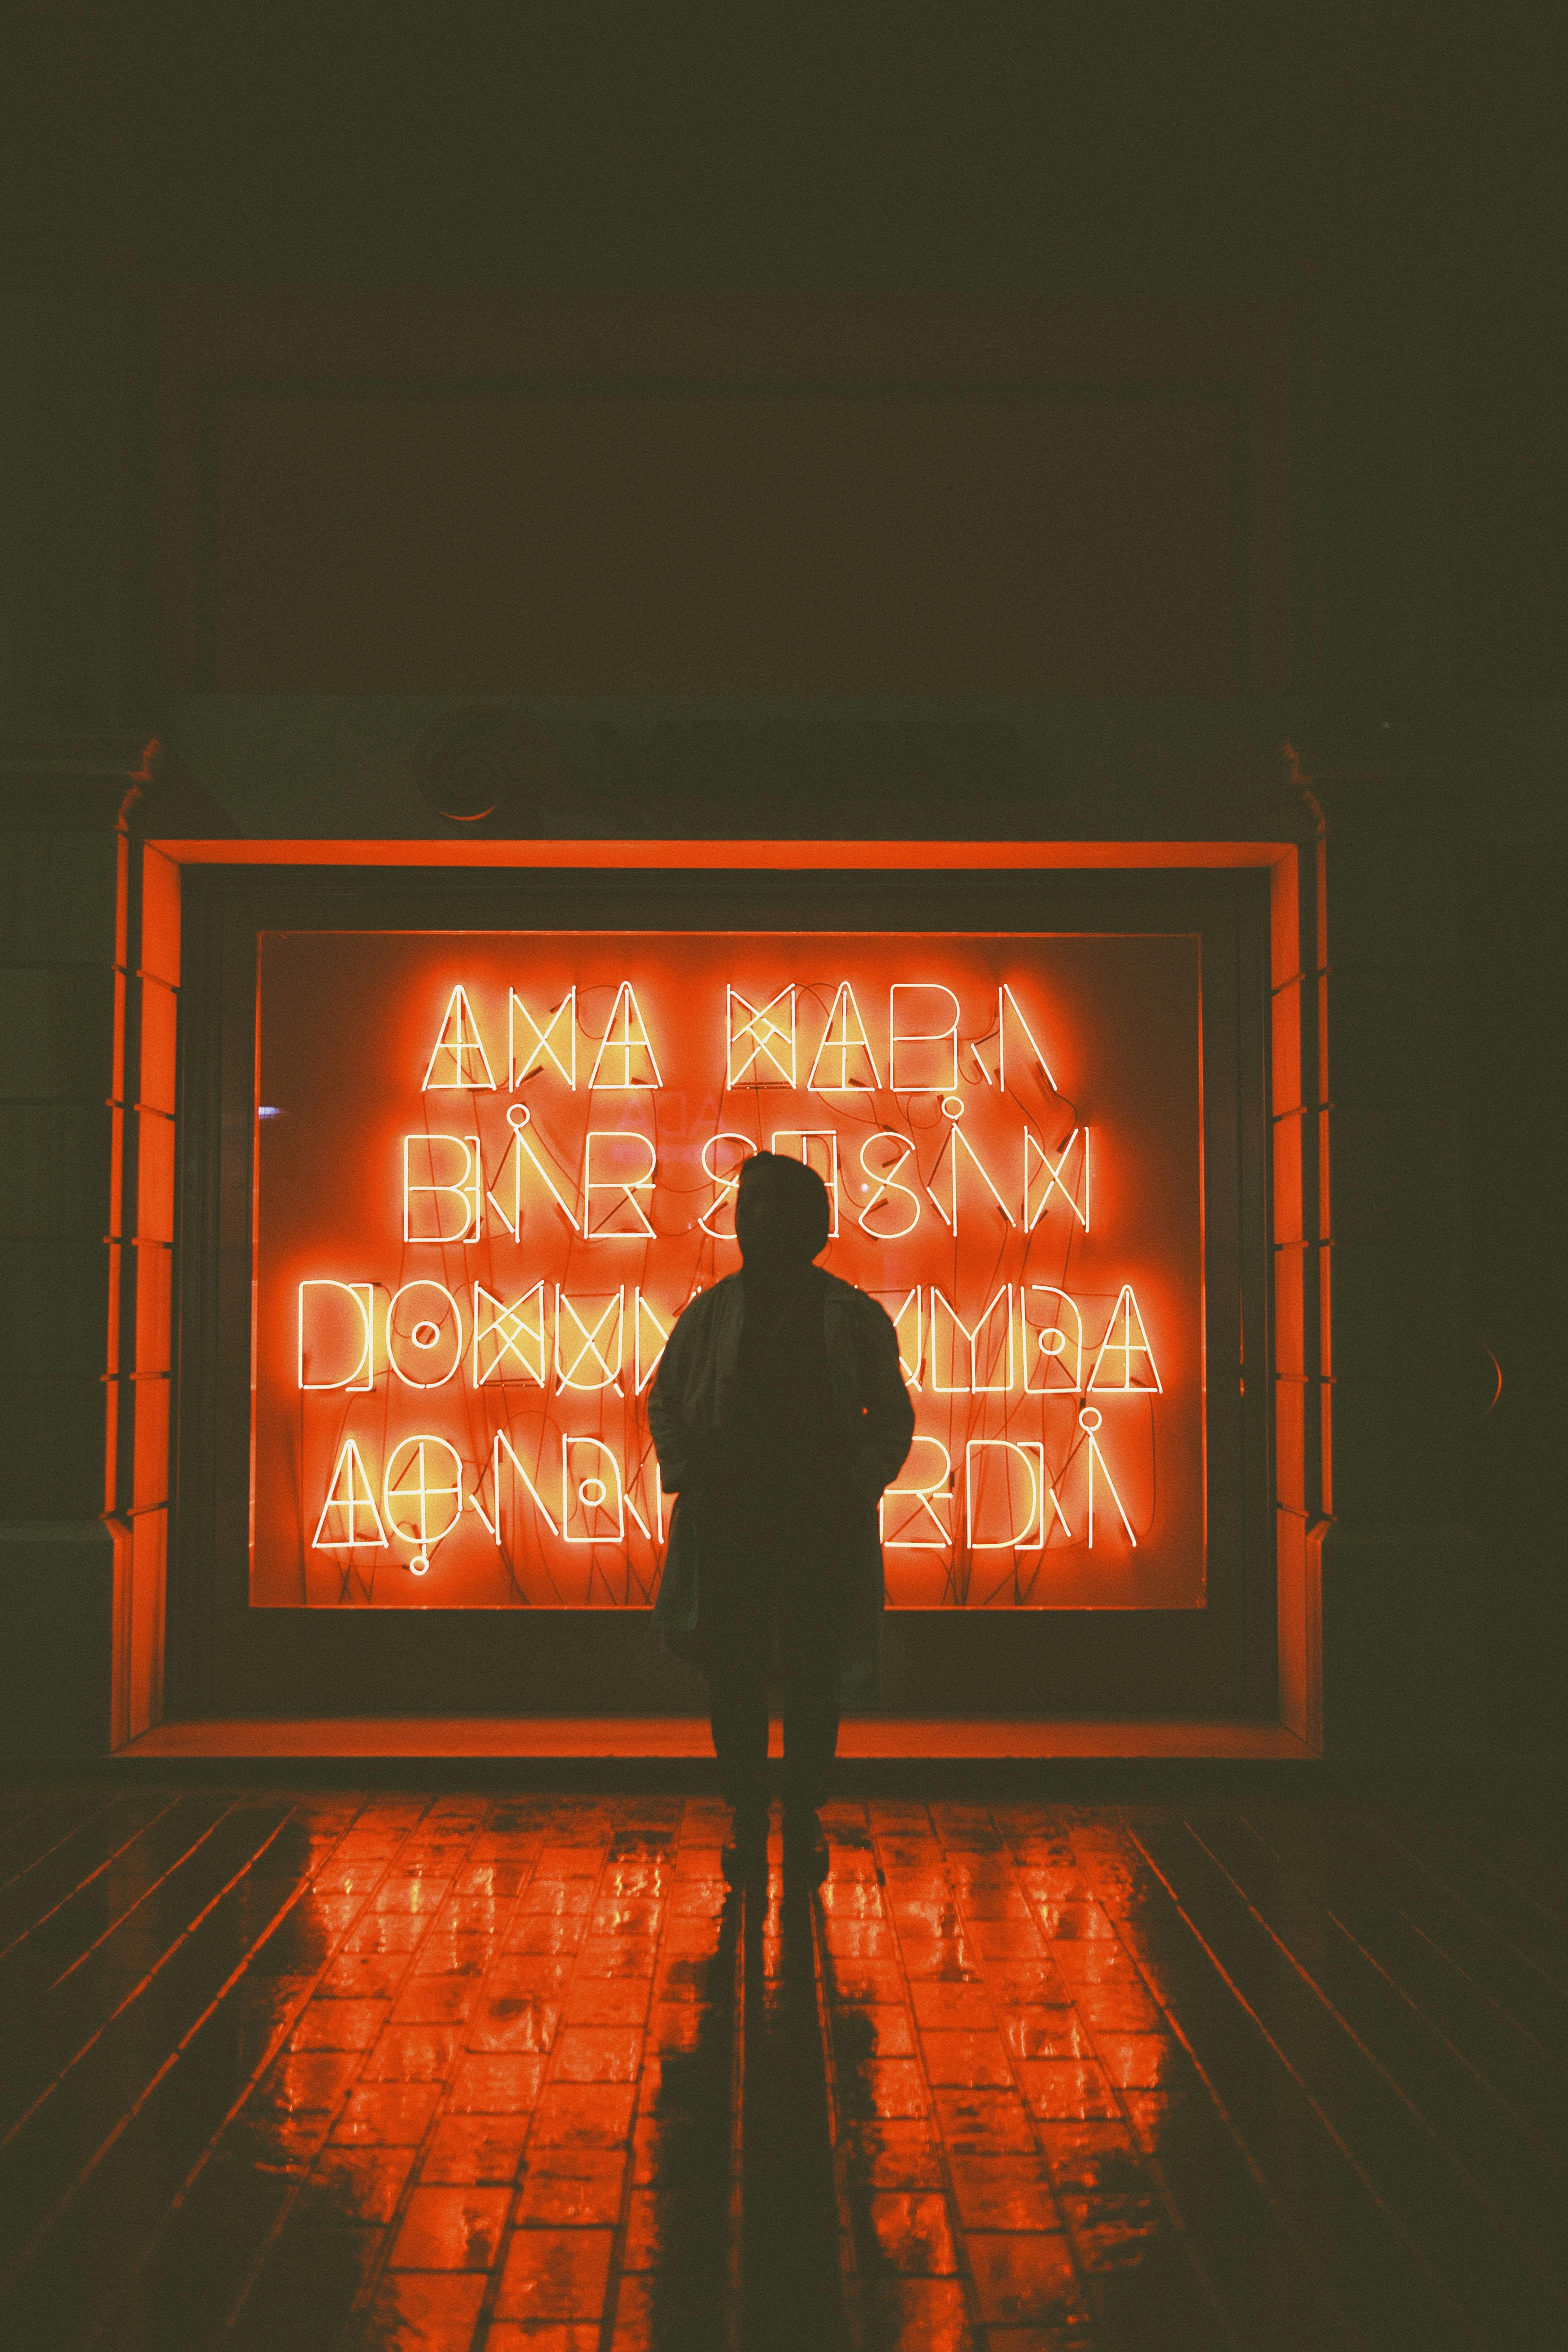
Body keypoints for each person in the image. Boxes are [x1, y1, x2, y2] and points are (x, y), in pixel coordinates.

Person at [649, 1152, 915, 1871]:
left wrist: (856, 1484)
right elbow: (665, 1400)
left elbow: (892, 1418)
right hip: (738, 1513)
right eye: (748, 1202)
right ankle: (753, 1804)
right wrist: (693, 1472)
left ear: (807, 1220)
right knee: (738, 1666)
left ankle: (795, 1807)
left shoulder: (845, 1316)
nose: (752, 1216)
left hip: (813, 1515)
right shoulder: (715, 1313)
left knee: (809, 1666)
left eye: (768, 1202)